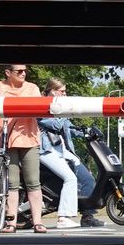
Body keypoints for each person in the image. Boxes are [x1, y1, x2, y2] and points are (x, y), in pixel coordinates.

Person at [0, 62, 46, 233]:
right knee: (11, 184)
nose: (23, 74)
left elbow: (39, 108)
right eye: (19, 71)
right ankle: (11, 222)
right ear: (8, 72)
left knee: (33, 182)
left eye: (25, 71)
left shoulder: (32, 88)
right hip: (5, 140)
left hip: (29, 139)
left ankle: (38, 222)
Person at [37, 76, 91, 230]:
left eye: (66, 92)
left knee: (85, 176)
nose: (65, 95)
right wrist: (69, 111)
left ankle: (89, 214)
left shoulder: (59, 108)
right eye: (62, 92)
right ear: (52, 92)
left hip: (62, 150)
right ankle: (63, 217)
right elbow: (56, 124)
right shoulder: (42, 107)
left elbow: (68, 127)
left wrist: (85, 132)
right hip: (46, 150)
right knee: (70, 178)